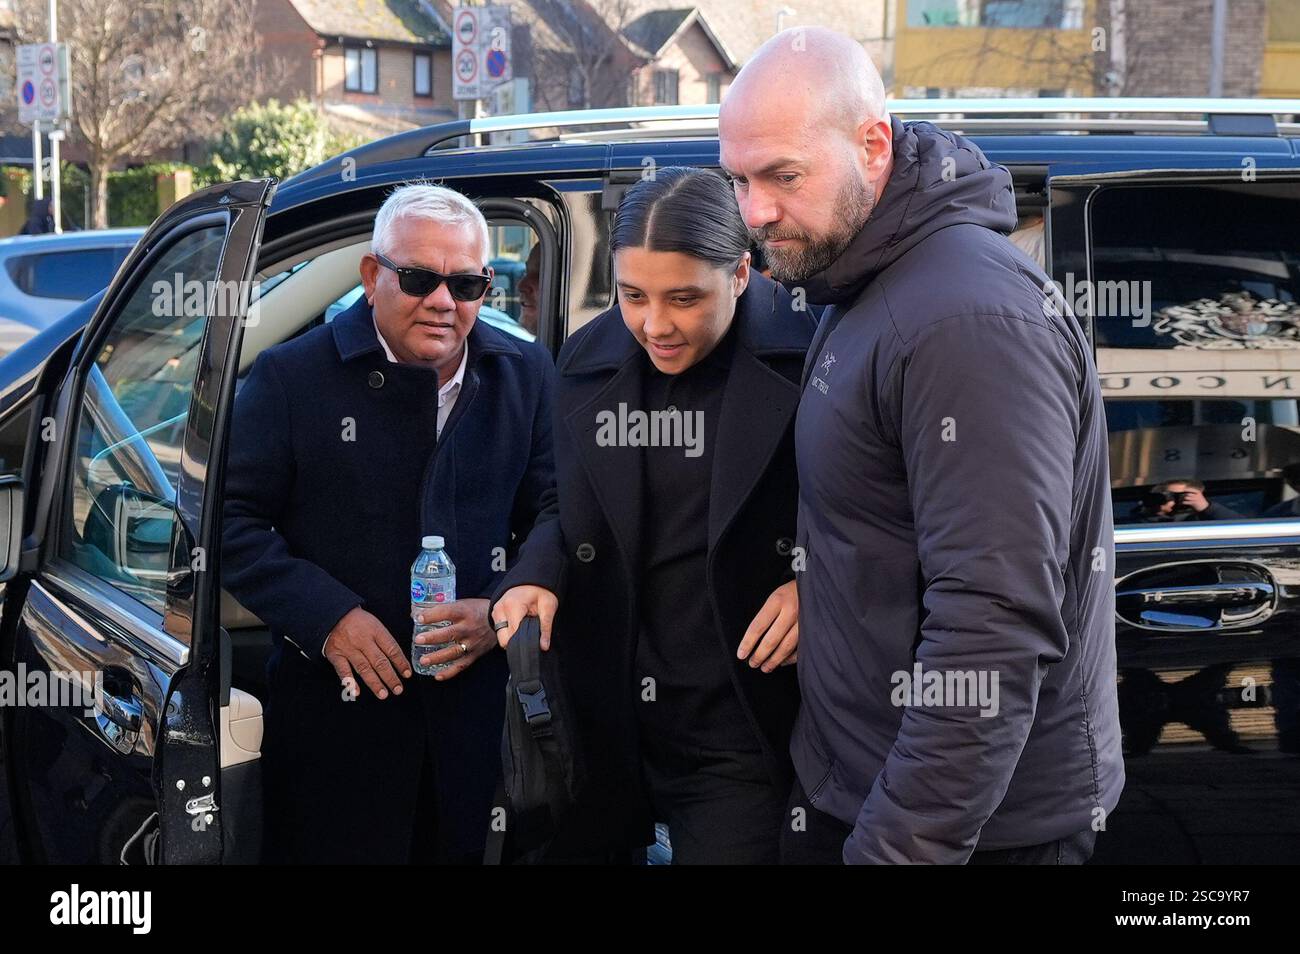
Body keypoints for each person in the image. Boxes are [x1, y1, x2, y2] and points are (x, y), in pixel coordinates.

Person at [718, 27, 1124, 864]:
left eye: (782, 175)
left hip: (967, 835)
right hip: (868, 789)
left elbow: (990, 627)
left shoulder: (963, 321)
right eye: (739, 180)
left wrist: (898, 849)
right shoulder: (868, 274)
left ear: (873, 144)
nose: (753, 211)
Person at [222, 183, 558, 863]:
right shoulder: (292, 377)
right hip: (335, 731)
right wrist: (327, 616)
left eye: (465, 284)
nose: (443, 301)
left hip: (477, 729)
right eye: (419, 278)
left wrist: (498, 611)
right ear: (373, 276)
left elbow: (558, 513)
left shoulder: (524, 373)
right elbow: (227, 521)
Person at [493, 167, 815, 863]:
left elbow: (880, 513)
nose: (654, 325)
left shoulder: (812, 356)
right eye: (632, 295)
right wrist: (537, 571)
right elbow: (564, 502)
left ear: (741, 273)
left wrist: (817, 587)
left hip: (741, 730)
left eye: (683, 298)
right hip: (604, 718)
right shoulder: (587, 357)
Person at [1131, 478, 1241, 522]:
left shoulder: (1205, 520)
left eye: (1176, 496)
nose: (1169, 499)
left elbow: (1240, 528)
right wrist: (1147, 511)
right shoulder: (1141, 520)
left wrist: (1208, 508)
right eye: (1166, 494)